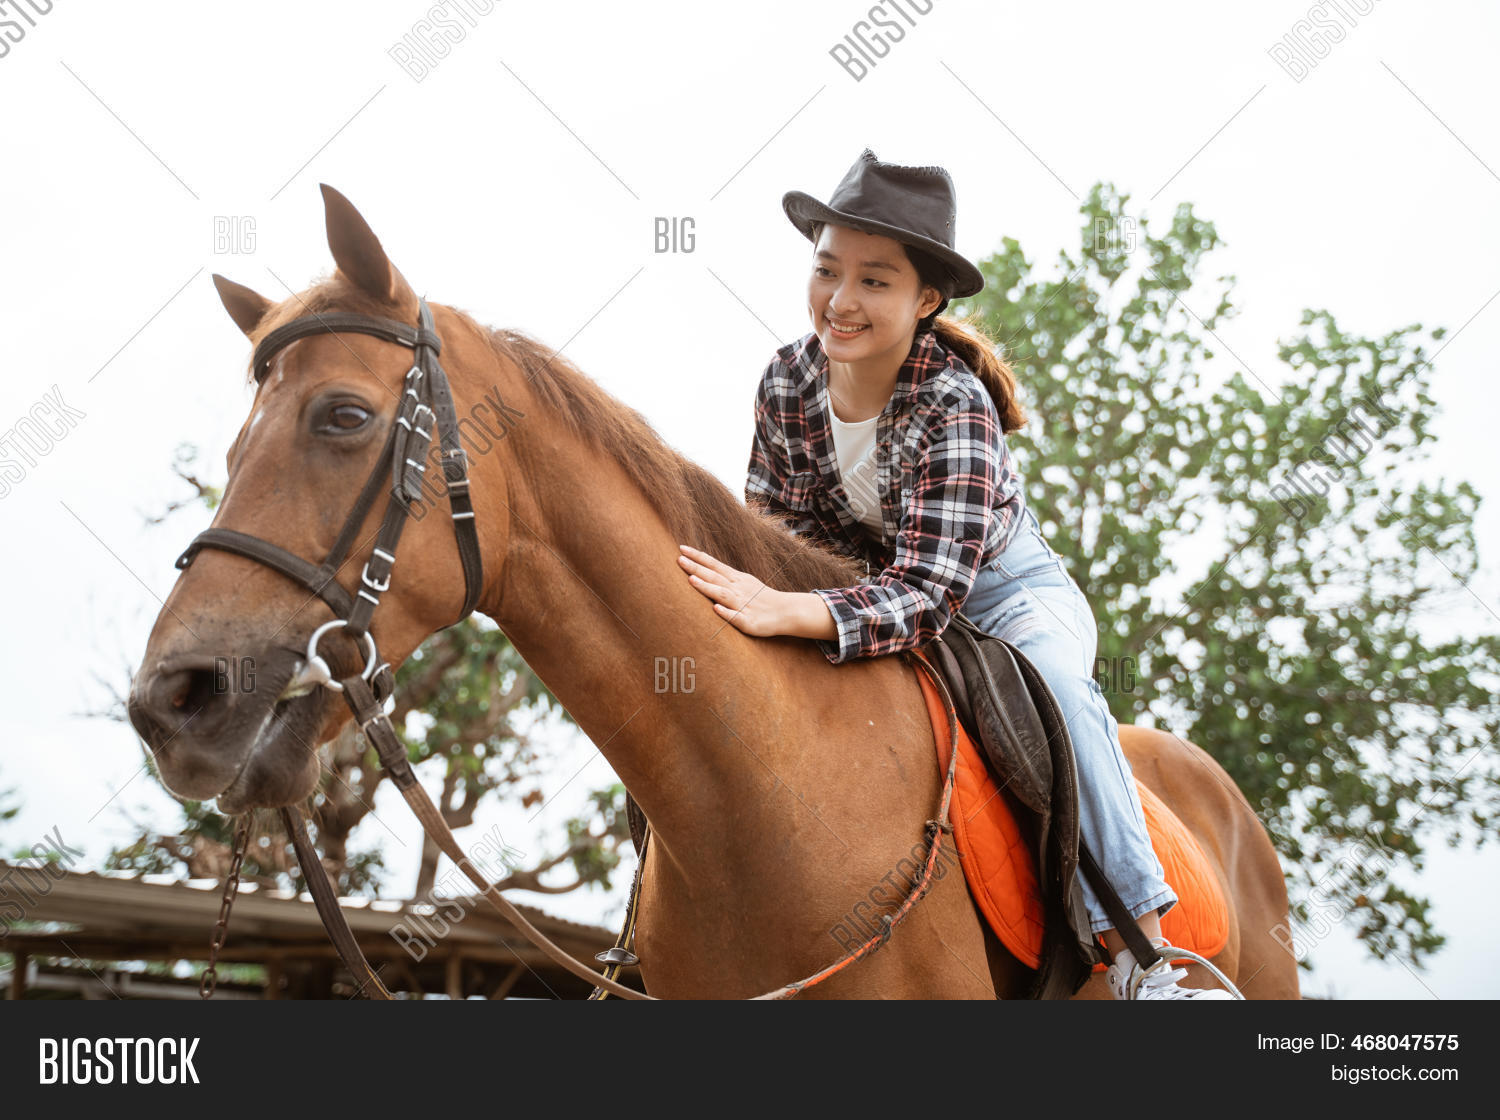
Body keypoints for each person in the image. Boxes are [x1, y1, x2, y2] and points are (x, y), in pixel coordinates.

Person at [675, 149, 1230, 1000]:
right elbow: (775, 534)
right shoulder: (786, 381)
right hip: (856, 592)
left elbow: (931, 595)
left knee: (1060, 688)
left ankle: (1146, 957)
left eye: (874, 281)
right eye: (827, 270)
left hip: (1004, 597)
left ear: (926, 300)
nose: (841, 299)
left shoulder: (953, 402)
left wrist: (793, 610)